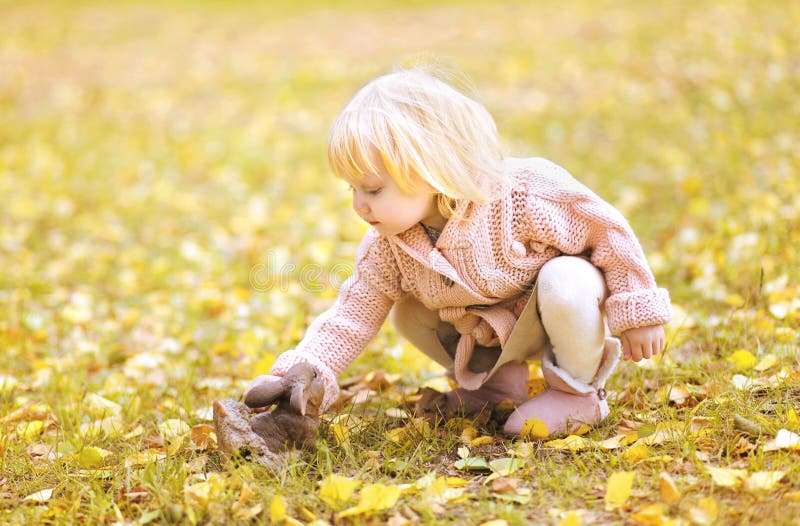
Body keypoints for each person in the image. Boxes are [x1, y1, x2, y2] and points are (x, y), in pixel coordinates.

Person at [244, 66, 671, 437]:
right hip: (489, 331)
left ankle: (577, 393)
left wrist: (637, 309)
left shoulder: (520, 195)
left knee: (565, 281)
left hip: (553, 315)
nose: (359, 204)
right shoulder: (388, 247)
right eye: (352, 189)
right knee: (408, 313)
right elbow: (349, 318)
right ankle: (494, 386)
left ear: (433, 169)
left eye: (373, 189)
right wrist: (301, 372)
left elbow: (606, 229)